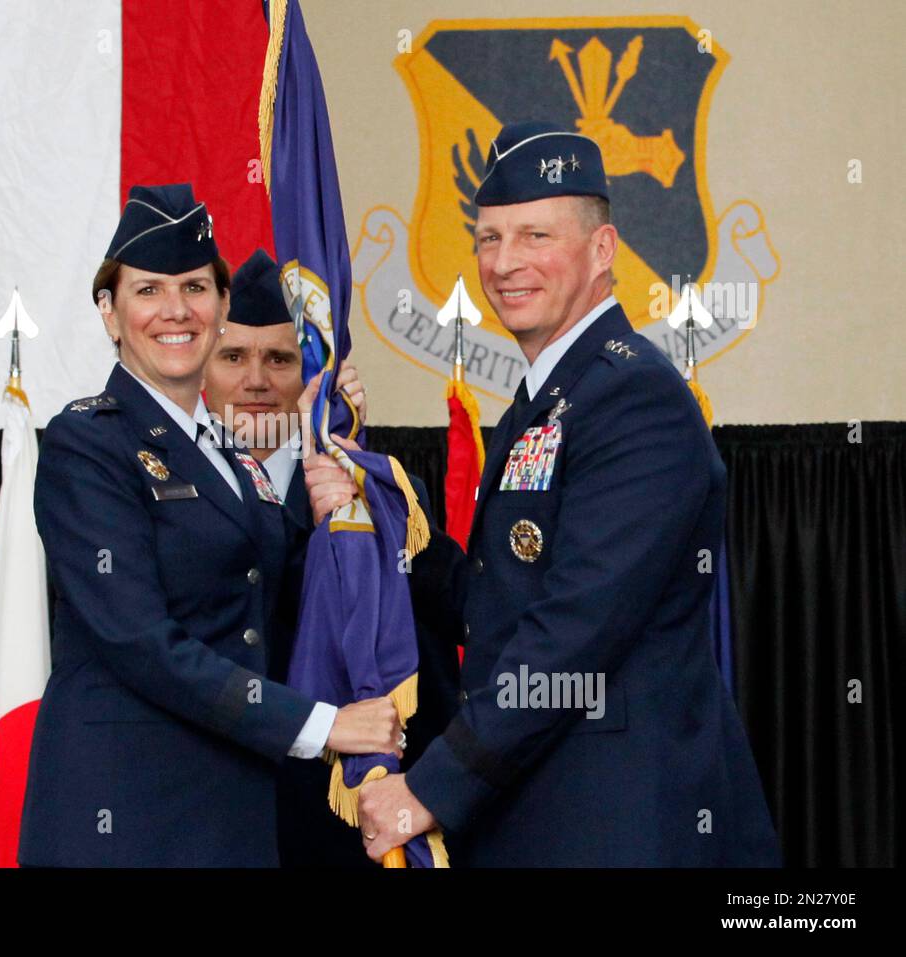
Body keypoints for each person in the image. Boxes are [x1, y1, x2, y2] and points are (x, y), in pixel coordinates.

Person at [307, 123, 781, 866]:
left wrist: (431, 785)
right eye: (489, 238)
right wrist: (386, 522)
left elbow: (574, 634)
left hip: (619, 823)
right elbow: (503, 600)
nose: (504, 263)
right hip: (545, 809)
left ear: (602, 251)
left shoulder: (634, 399)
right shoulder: (549, 395)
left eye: (534, 236)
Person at [16, 184, 402, 867]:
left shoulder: (224, 451)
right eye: (148, 290)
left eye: (195, 287)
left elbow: (267, 588)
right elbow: (141, 640)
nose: (175, 310)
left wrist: (325, 452)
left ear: (223, 309)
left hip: (226, 815)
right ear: (109, 313)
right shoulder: (88, 442)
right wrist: (324, 725)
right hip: (126, 818)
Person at [205, 249, 460, 867]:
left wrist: (360, 505)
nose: (257, 381)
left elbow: (455, 612)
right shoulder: (190, 501)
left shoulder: (383, 486)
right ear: (201, 373)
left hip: (374, 818)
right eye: (234, 357)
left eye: (281, 359)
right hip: (240, 808)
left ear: (311, 376)